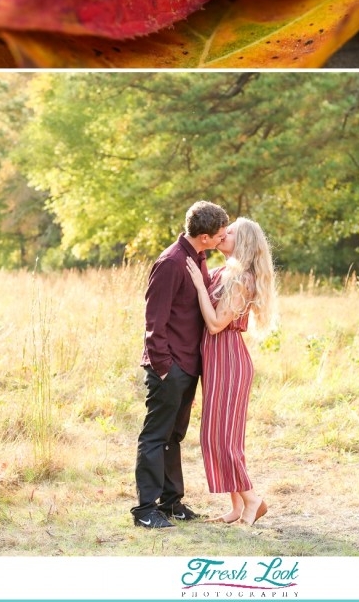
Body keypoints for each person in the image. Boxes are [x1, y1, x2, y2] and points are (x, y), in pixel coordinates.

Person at [131, 200, 229, 530]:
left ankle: (171, 503)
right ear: (204, 237)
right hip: (169, 366)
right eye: (220, 234)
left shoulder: (198, 257)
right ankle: (145, 510)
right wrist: (164, 367)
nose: (223, 239)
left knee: (174, 436)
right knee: (155, 436)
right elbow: (153, 321)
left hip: (188, 364)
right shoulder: (171, 262)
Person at [186, 217, 277, 526]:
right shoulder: (222, 272)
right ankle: (237, 507)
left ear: (244, 242)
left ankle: (253, 500)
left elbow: (215, 324)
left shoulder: (242, 279)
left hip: (228, 360)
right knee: (222, 436)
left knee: (221, 438)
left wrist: (199, 286)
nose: (224, 233)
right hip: (215, 361)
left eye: (232, 231)